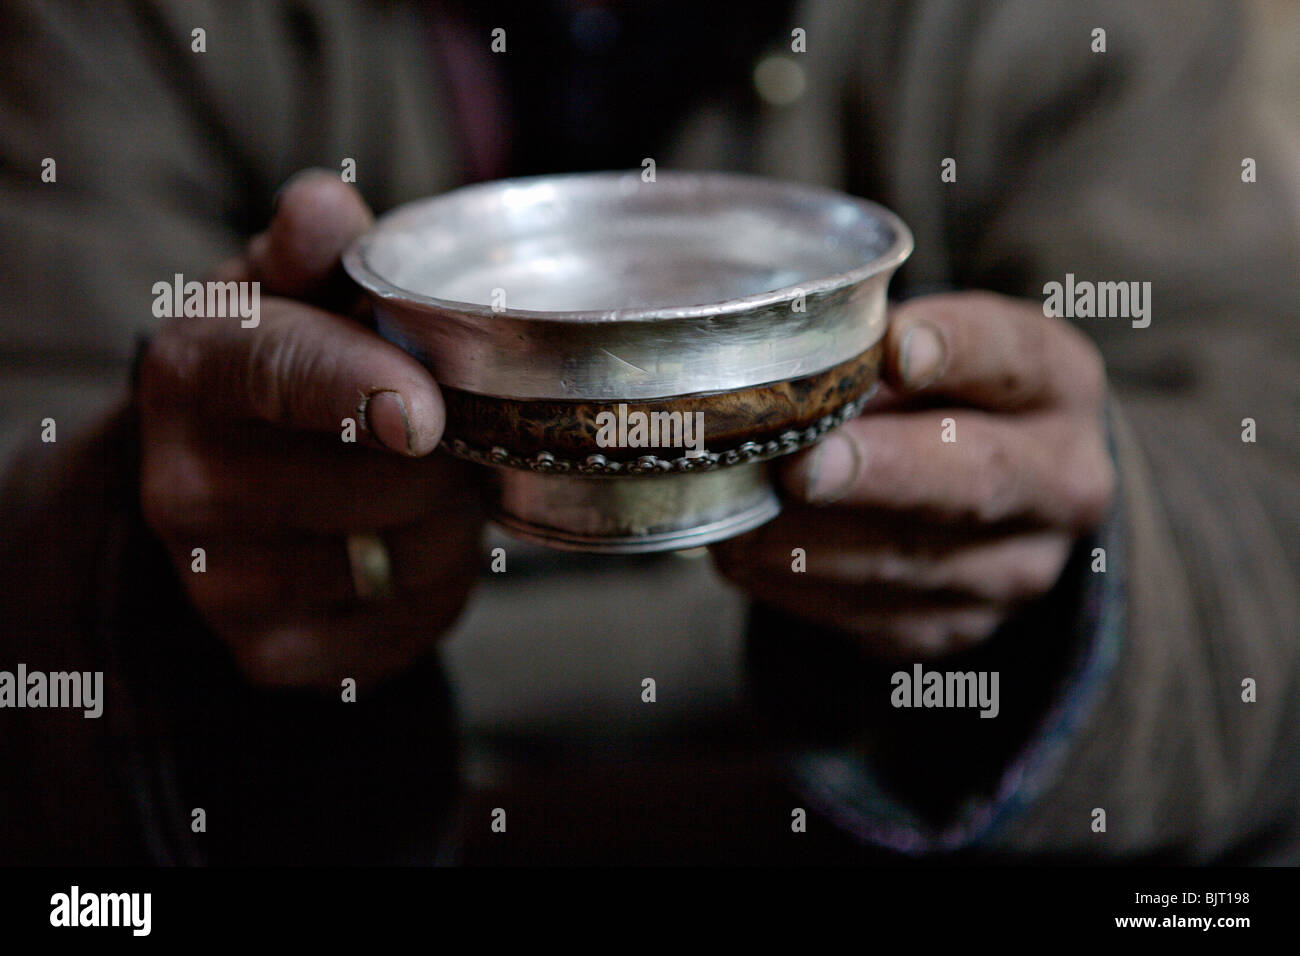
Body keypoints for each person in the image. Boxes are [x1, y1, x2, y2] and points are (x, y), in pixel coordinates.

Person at [1, 0, 1296, 865]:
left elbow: (1269, 488)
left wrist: (1076, 551)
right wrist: (149, 551)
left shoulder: (1095, 23)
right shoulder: (132, 25)